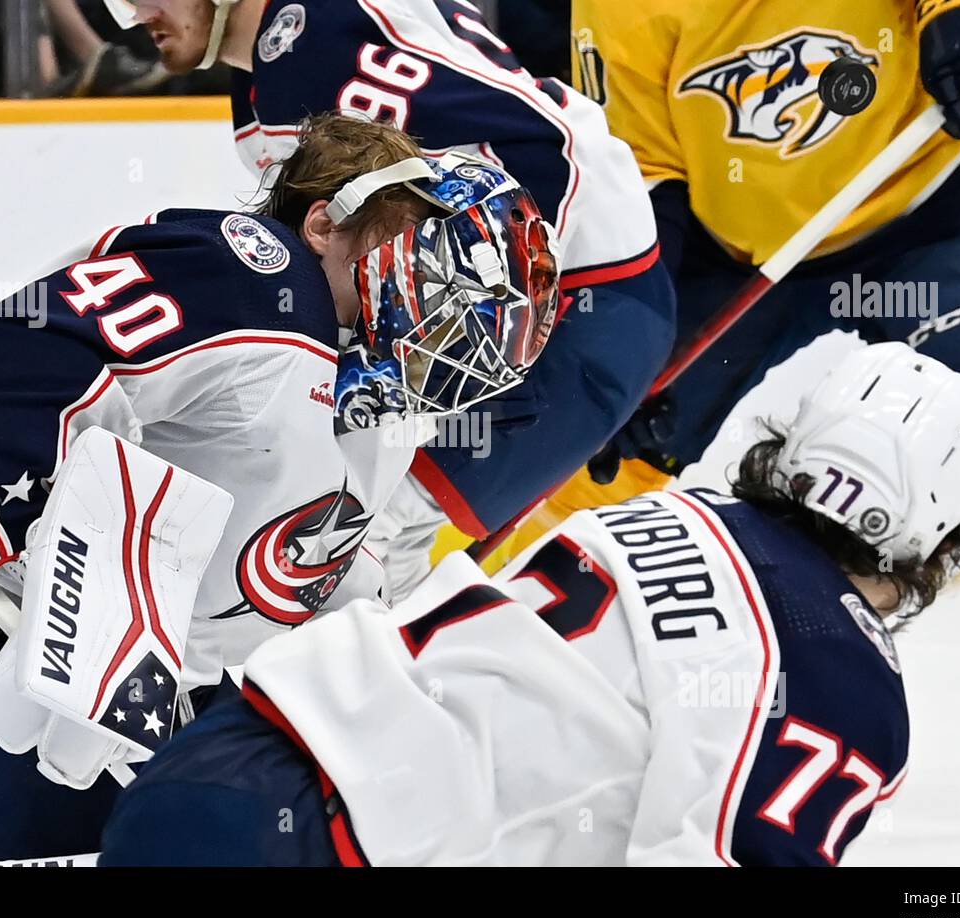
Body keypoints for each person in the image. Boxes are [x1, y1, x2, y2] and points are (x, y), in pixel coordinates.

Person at [0, 113, 560, 862]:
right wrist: (63, 590)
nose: (440, 295)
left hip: (134, 710)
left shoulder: (380, 406)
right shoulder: (253, 277)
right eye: (415, 246)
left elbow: (316, 578)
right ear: (322, 225)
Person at [98, 343, 960, 866]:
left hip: (219, 755)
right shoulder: (846, 685)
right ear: (935, 543)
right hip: (334, 843)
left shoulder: (668, 511)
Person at [533, 0, 960, 785]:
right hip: (730, 248)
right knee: (602, 453)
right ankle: (500, 638)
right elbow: (641, 178)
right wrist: (638, 331)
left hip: (914, 215)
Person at [100, 0, 677, 599]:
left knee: (365, 532)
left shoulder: (314, 37)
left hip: (574, 314)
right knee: (338, 519)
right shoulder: (266, 72)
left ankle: (353, 681)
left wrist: (520, 306)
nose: (134, 15)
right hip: (505, 327)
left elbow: (551, 141)